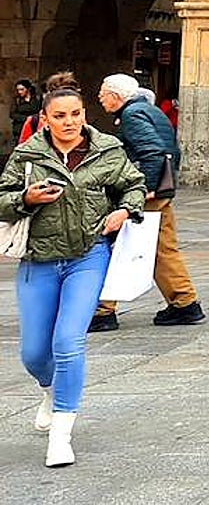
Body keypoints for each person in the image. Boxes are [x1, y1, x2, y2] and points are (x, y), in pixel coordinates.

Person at [0, 85, 148, 467]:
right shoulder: (28, 154)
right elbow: (2, 198)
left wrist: (125, 211)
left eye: (76, 114)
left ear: (85, 114)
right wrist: (26, 199)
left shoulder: (107, 150)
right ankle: (49, 390)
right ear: (45, 119)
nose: (70, 122)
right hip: (38, 260)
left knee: (68, 342)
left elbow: (135, 184)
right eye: (60, 116)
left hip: (88, 256)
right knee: (34, 353)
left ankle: (61, 435)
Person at [91, 74, 203, 332]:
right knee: (163, 248)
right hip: (162, 190)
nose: (99, 97)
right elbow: (172, 150)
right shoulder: (148, 110)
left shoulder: (132, 115)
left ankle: (103, 310)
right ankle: (185, 303)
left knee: (117, 244)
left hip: (146, 193)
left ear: (117, 96)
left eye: (103, 92)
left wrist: (146, 189)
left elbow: (152, 151)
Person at [10, 79, 39, 150]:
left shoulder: (37, 99)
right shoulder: (17, 100)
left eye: (22, 89)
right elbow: (12, 114)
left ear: (28, 89)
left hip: (34, 128)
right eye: (18, 90)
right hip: (20, 129)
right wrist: (26, 118)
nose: (20, 92)